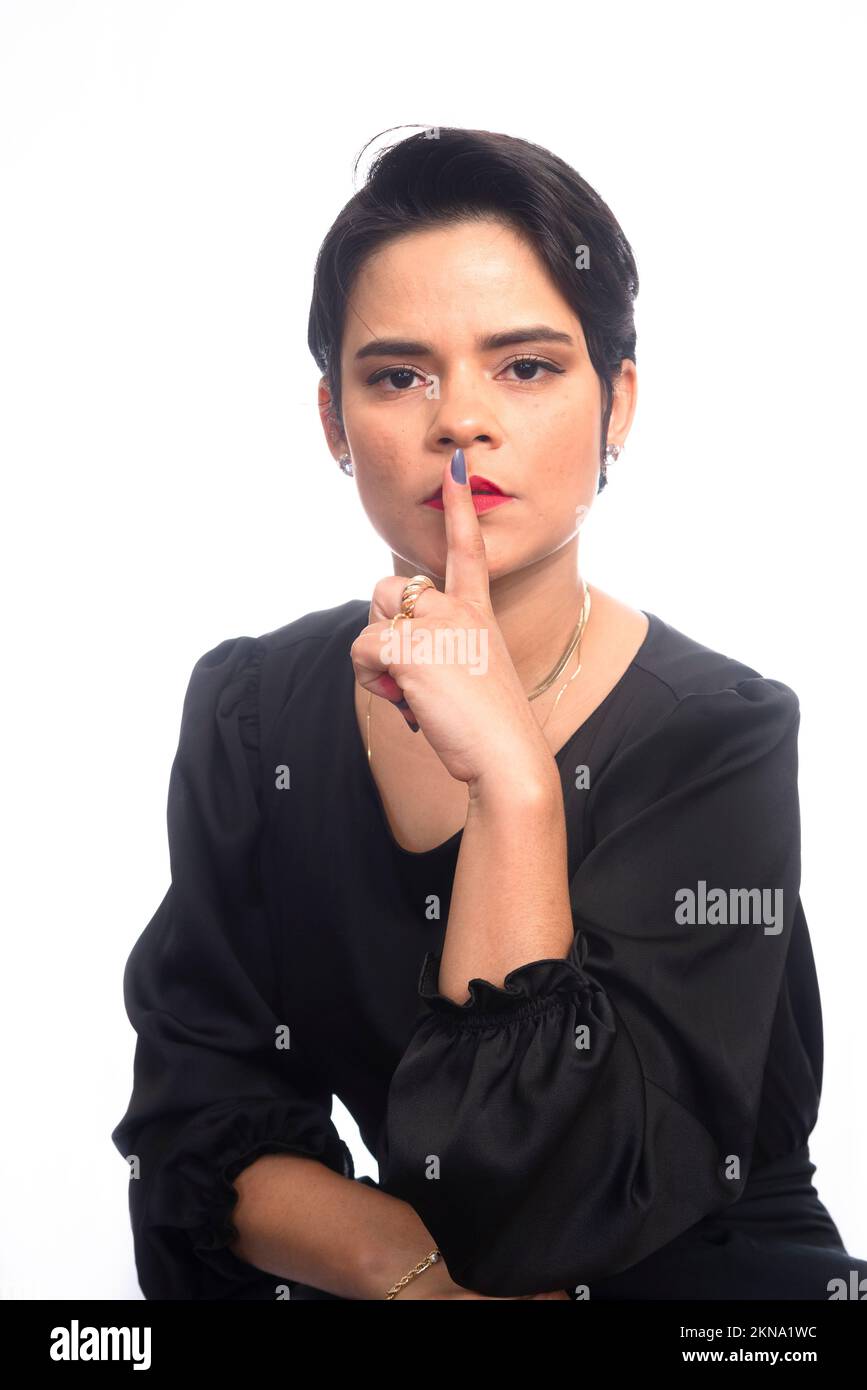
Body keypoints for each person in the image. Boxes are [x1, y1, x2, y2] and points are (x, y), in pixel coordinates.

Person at [111, 126, 867, 1301]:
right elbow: (196, 1123)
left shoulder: (719, 732)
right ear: (332, 423)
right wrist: (408, 1274)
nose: (458, 419)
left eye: (524, 366)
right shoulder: (254, 712)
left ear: (617, 403)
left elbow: (550, 1206)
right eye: (398, 374)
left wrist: (513, 783)